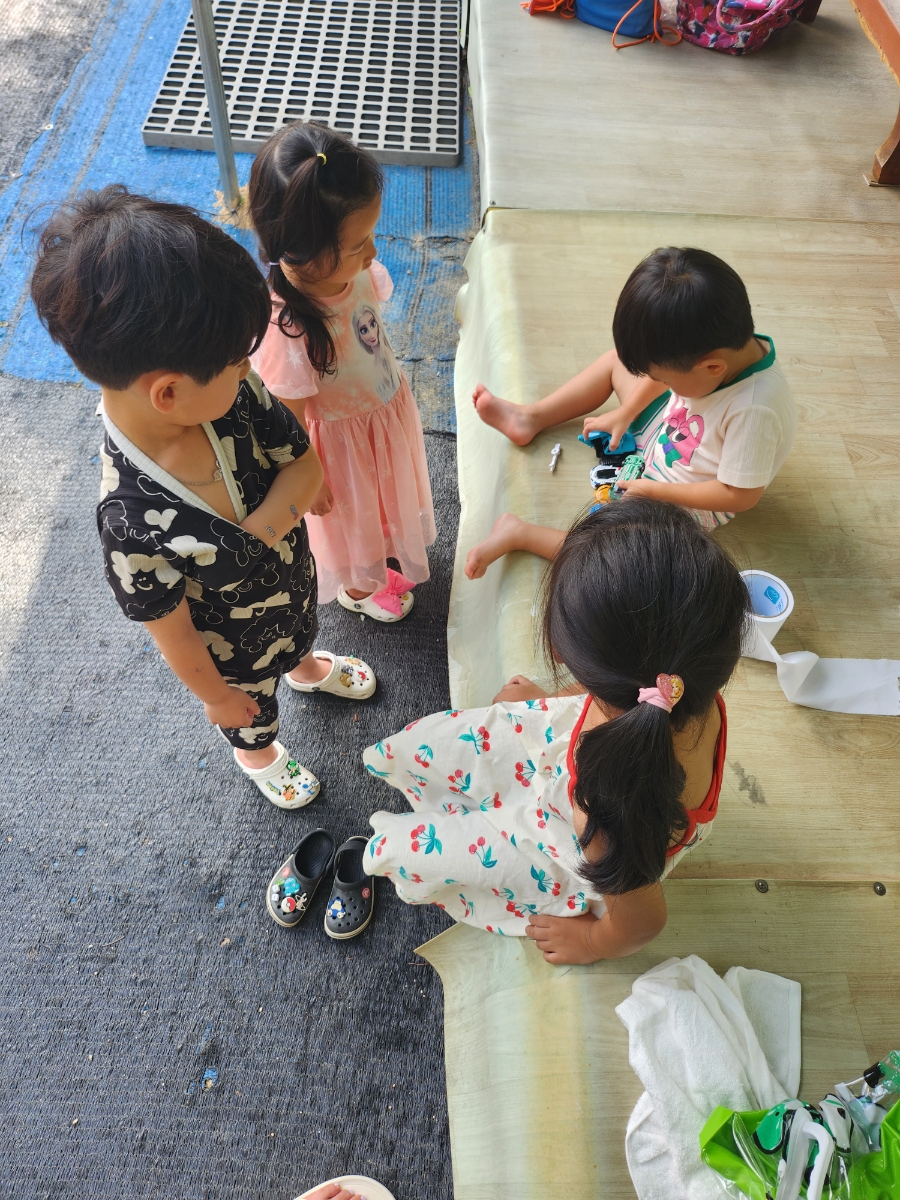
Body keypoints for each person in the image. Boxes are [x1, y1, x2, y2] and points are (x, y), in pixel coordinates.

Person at [30, 186, 376, 806]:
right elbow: (175, 635)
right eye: (237, 361)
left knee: (300, 630)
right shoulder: (129, 521)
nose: (249, 370)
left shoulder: (227, 392)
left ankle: (303, 666)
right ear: (167, 393)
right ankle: (260, 754)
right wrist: (216, 697)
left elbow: (304, 466)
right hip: (230, 655)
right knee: (250, 711)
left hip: (289, 585)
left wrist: (259, 535)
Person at [362, 500, 748, 965]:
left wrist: (591, 941)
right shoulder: (683, 686)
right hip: (585, 770)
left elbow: (643, 921)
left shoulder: (607, 809)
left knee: (409, 848)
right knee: (436, 749)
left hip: (571, 830)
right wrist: (550, 702)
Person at [469, 247, 797, 574]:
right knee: (616, 362)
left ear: (711, 367)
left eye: (660, 377)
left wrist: (653, 490)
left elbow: (738, 495)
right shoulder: (719, 344)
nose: (653, 380)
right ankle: (529, 417)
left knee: (617, 556)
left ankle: (519, 533)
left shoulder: (754, 412)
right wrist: (626, 411)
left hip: (687, 496)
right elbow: (664, 380)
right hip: (667, 430)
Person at [249, 122, 436, 623]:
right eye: (358, 246)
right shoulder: (287, 327)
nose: (373, 254)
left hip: (379, 412)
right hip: (338, 445)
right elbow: (281, 415)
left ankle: (383, 552)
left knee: (384, 496)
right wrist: (305, 476)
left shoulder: (350, 272)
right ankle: (358, 584)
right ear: (301, 252)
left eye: (370, 237)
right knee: (353, 513)